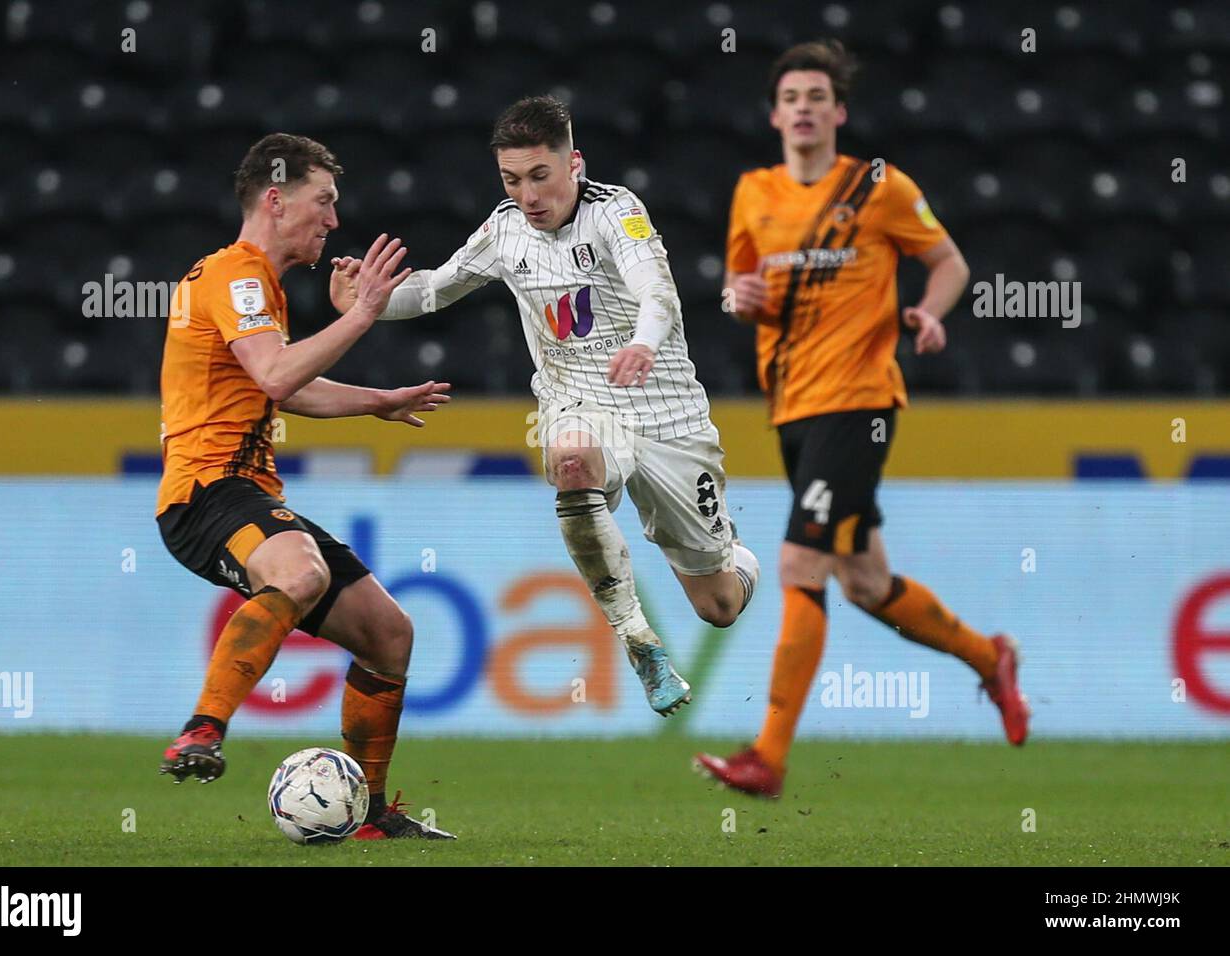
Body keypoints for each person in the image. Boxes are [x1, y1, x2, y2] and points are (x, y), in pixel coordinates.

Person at [331, 96, 760, 717]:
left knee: (718, 606)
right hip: (578, 402)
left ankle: (734, 556)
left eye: (540, 176)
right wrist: (365, 304)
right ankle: (639, 642)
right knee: (572, 461)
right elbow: (432, 290)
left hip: (668, 415)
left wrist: (643, 344)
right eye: (512, 180)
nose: (528, 196)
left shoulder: (616, 212)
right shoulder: (504, 229)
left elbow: (658, 294)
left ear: (573, 163)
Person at [695, 40, 1030, 798]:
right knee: (866, 583)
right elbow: (740, 288)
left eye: (817, 97)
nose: (804, 109)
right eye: (791, 98)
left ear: (838, 112)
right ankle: (991, 658)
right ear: (775, 115)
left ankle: (768, 756)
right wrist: (735, 298)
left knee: (798, 565)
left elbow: (950, 263)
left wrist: (931, 314)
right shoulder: (753, 192)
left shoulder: (878, 187)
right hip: (793, 407)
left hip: (860, 402)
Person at [156, 132, 454, 839]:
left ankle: (371, 815)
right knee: (300, 571)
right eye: (323, 201)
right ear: (275, 199)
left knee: (388, 633)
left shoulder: (254, 282)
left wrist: (378, 401)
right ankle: (202, 729)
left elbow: (286, 386)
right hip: (206, 490)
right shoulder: (237, 273)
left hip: (245, 491)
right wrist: (363, 313)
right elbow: (276, 375)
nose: (333, 219)